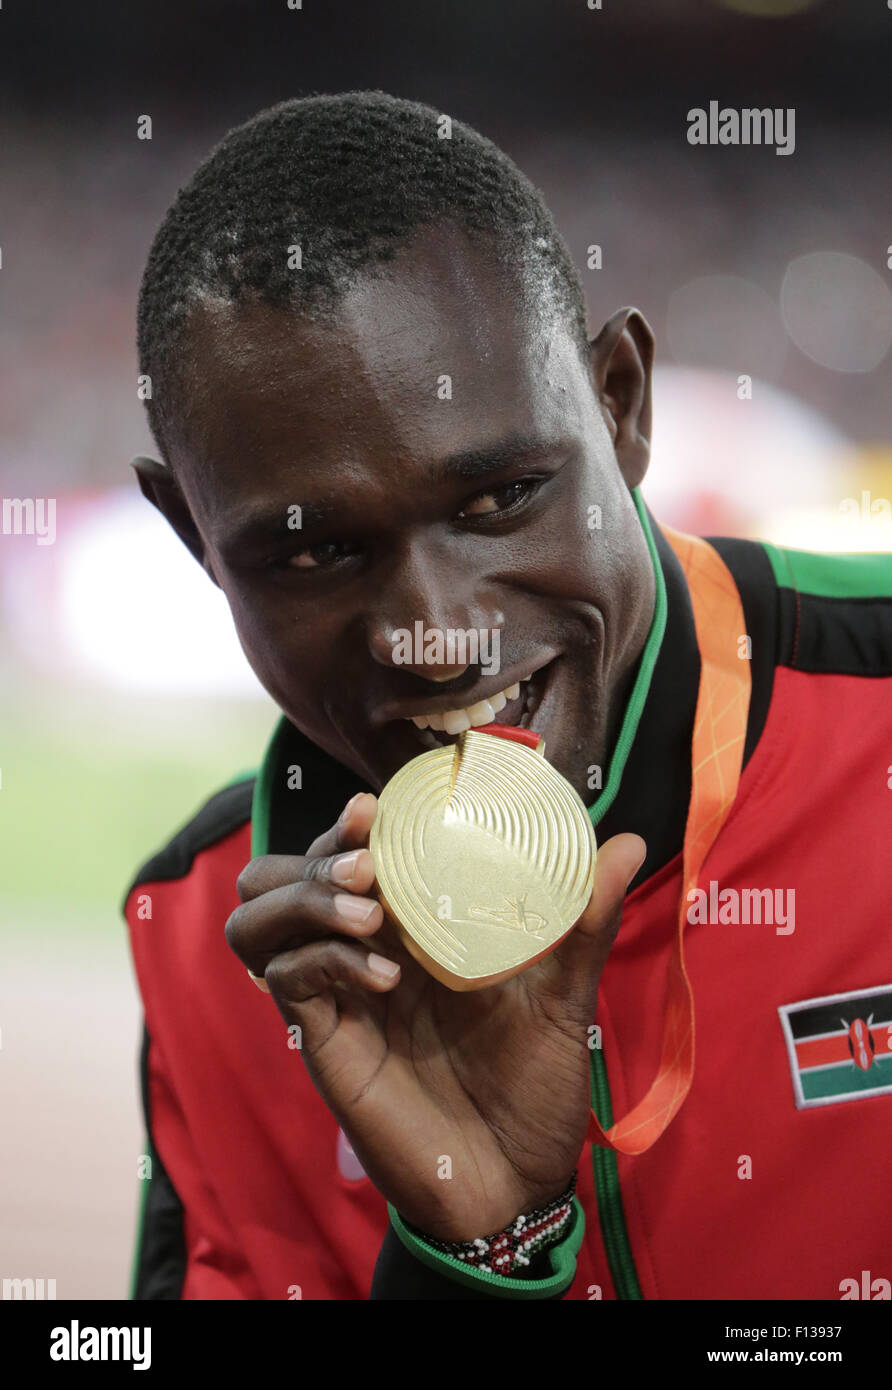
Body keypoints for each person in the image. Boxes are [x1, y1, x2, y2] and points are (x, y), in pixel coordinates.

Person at [124, 91, 892, 1300]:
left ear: (621, 405)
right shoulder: (209, 930)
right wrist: (475, 1257)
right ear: (193, 540)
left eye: (498, 500)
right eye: (316, 550)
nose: (435, 635)